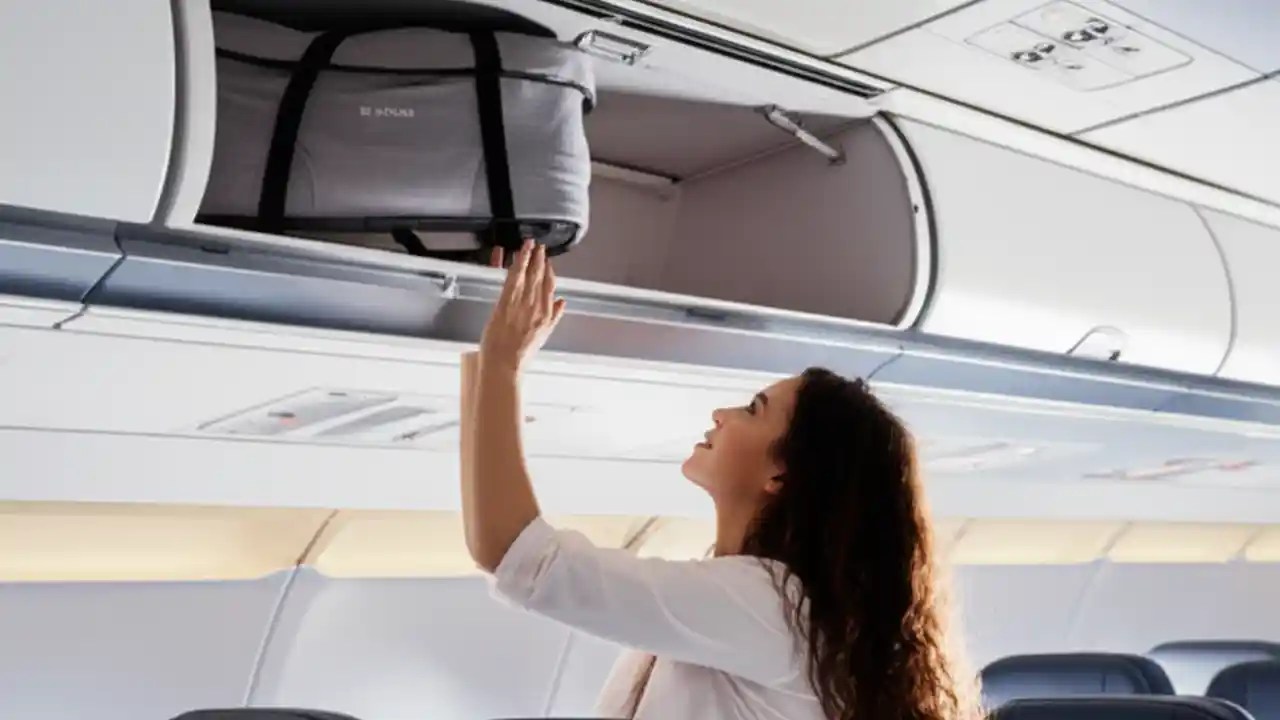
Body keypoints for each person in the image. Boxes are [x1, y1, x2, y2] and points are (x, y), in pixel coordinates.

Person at [459, 239, 980, 720]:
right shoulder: (761, 602)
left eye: (753, 410)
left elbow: (516, 553)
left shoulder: (766, 606)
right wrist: (487, 352)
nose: (721, 414)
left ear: (782, 472)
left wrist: (504, 363)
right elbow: (511, 553)